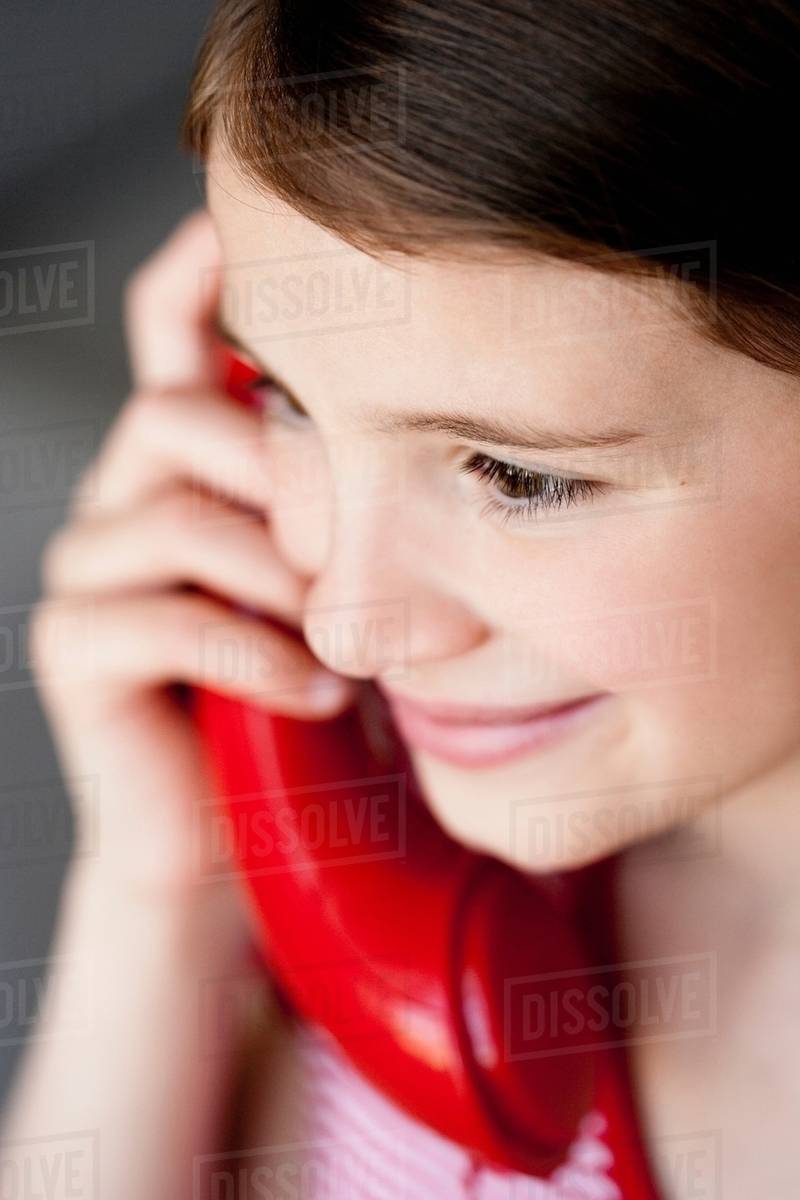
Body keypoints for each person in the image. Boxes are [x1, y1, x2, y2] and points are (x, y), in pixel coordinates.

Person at [3, 1, 800, 1197]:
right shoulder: (406, 972)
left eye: (519, 475)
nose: (345, 624)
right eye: (284, 400)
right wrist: (163, 900)